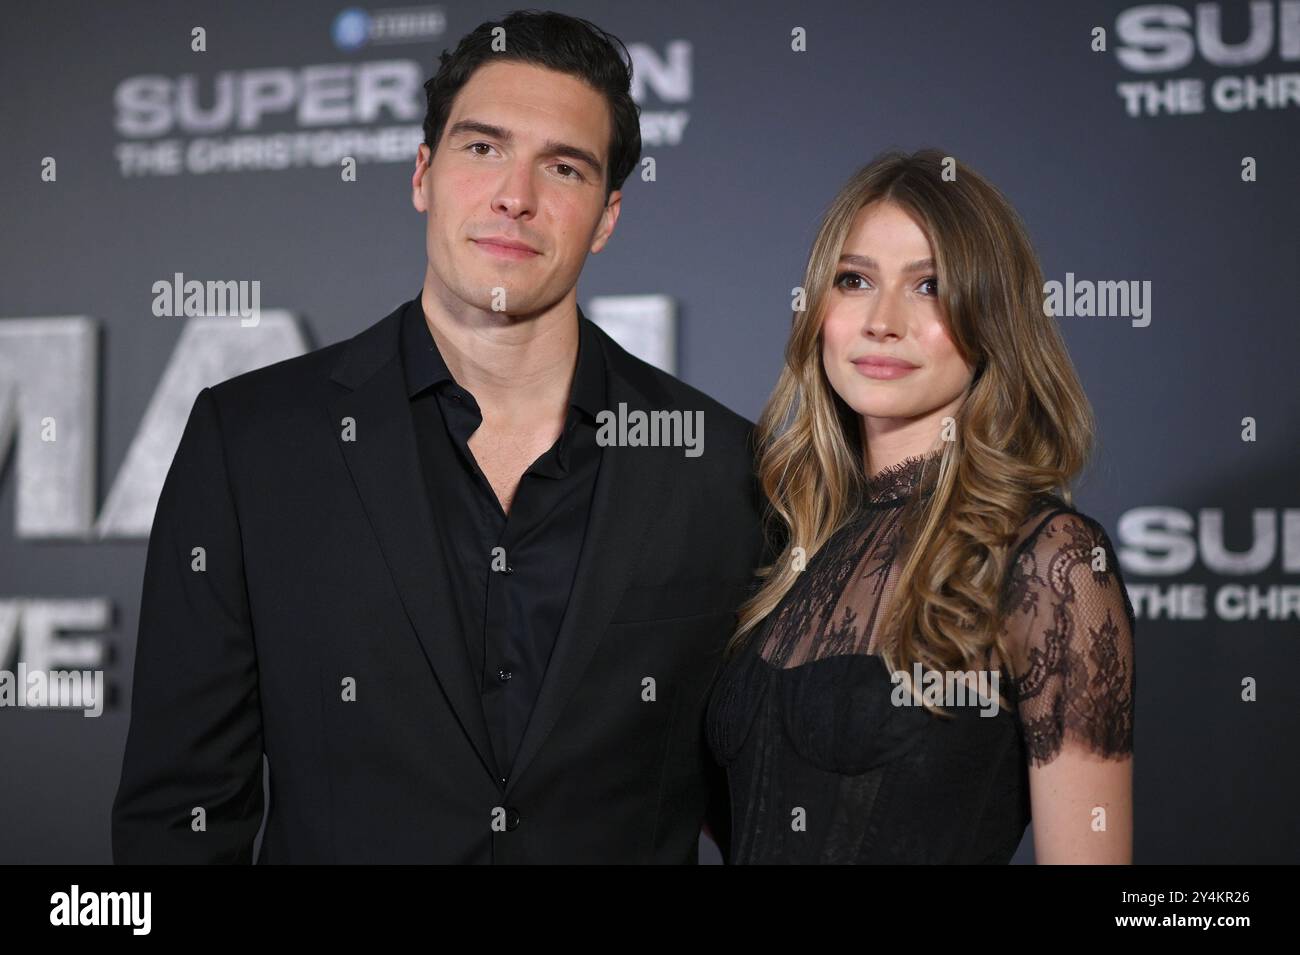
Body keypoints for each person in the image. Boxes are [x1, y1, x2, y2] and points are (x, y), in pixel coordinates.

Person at [112, 10, 763, 864]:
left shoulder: (720, 465)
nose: (514, 196)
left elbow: (762, 802)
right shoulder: (251, 444)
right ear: (423, 172)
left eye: (562, 167)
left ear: (606, 217)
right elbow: (182, 812)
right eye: (482, 148)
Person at [706, 149, 1136, 864]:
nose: (883, 320)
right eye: (854, 280)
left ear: (992, 316)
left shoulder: (1052, 560)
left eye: (930, 286)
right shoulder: (793, 549)